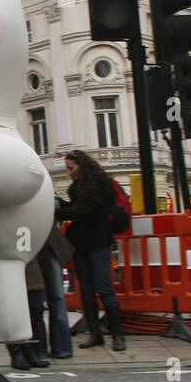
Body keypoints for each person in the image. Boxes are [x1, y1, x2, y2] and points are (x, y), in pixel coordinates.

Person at [57, 149, 124, 351]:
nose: (69, 172)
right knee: (86, 290)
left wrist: (59, 211)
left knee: (104, 289)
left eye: (71, 168)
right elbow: (77, 208)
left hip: (97, 241)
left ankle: (117, 336)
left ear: (81, 165)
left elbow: (84, 210)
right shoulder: (78, 187)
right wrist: (63, 206)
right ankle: (96, 334)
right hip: (82, 242)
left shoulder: (99, 185)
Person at [38, 224, 75, 358]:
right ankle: (61, 347)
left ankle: (44, 349)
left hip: (41, 244)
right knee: (53, 299)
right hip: (43, 244)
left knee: (50, 299)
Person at [8, 258, 51, 370]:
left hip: (31, 265)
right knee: (13, 314)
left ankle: (29, 352)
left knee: (35, 312)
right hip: (9, 267)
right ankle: (16, 353)